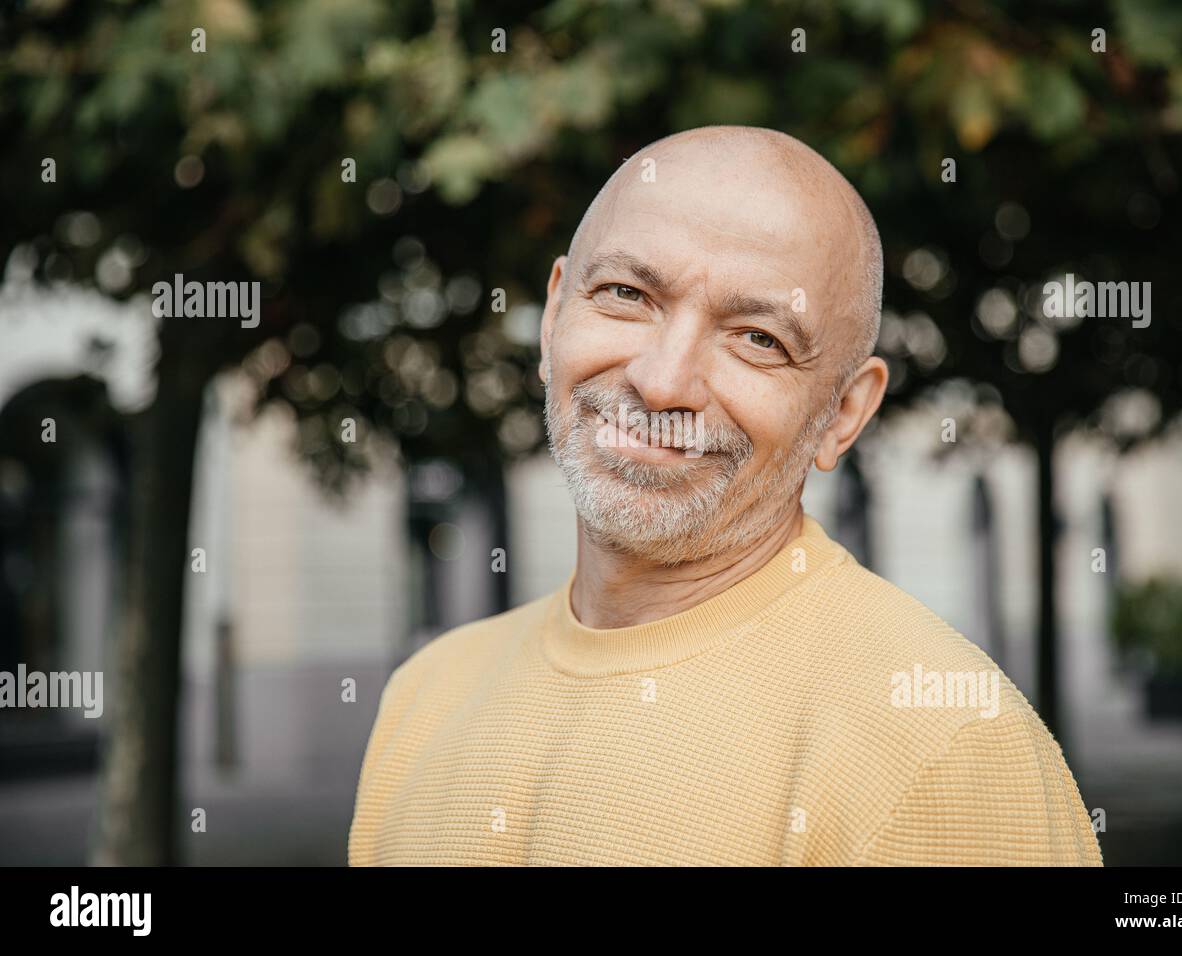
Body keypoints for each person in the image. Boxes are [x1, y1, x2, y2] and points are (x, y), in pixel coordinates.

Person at [348, 125, 1103, 866]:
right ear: (552, 319)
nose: (663, 380)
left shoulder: (946, 746)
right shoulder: (426, 698)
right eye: (625, 293)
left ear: (843, 414)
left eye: (757, 339)